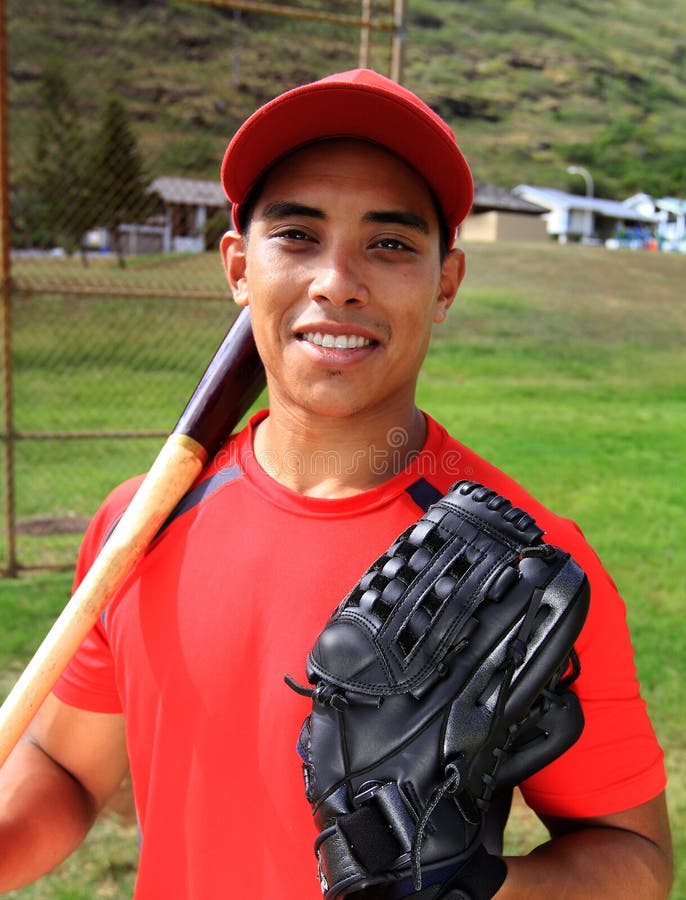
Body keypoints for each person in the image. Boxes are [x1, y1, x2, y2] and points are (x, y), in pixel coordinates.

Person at [0, 69, 673, 899]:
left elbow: (634, 857)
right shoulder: (140, 523)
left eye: (390, 244)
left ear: (446, 283)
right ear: (239, 268)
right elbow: (65, 765)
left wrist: (464, 884)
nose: (337, 281)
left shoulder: (527, 573)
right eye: (297, 235)